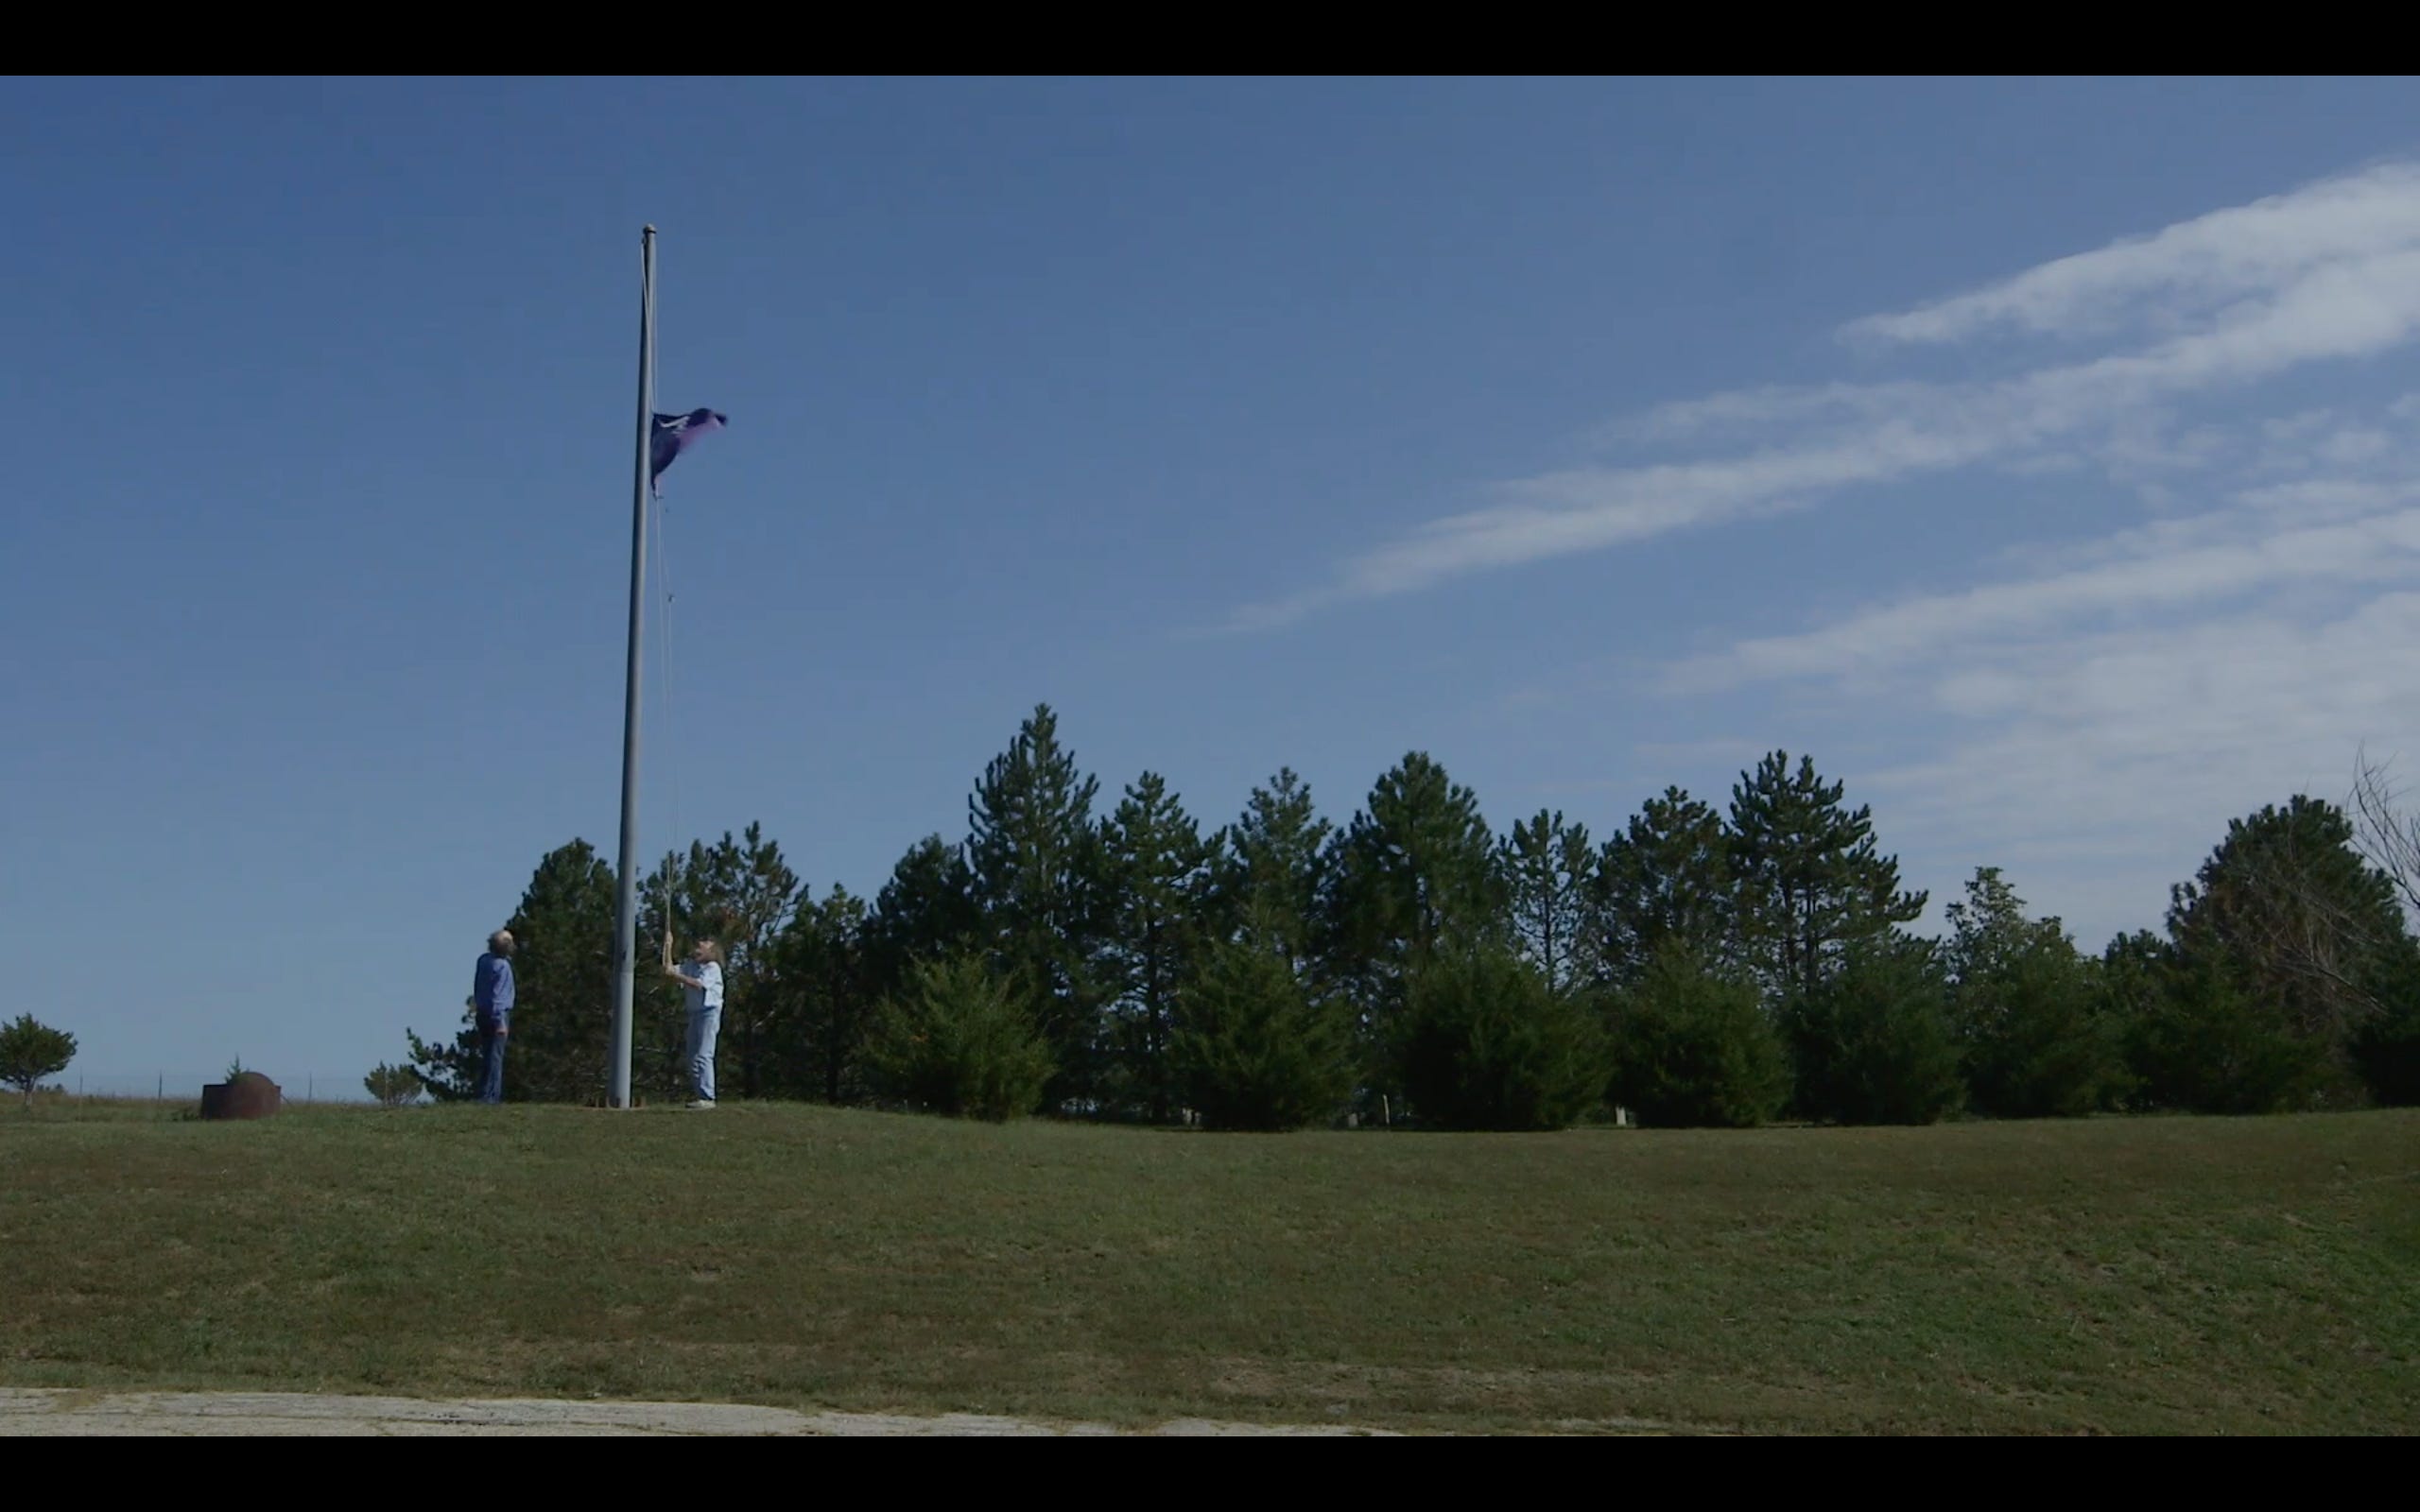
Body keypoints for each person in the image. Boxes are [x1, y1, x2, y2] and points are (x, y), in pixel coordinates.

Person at [666, 938, 724, 1109]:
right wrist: (668, 946)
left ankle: (708, 1097)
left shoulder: (712, 968)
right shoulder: (690, 965)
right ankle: (701, 1095)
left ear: (712, 952)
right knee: (692, 1056)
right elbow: (668, 969)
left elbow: (698, 984)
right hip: (695, 1014)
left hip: (709, 1013)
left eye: (705, 943)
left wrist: (676, 975)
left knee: (703, 1054)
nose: (699, 943)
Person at [472, 929, 515, 1105]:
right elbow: (498, 996)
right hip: (498, 1014)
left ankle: (484, 1093)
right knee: (496, 1057)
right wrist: (500, 1022)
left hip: (482, 1012)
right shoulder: (502, 967)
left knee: (487, 1055)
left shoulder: (483, 960)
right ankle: (491, 1097)